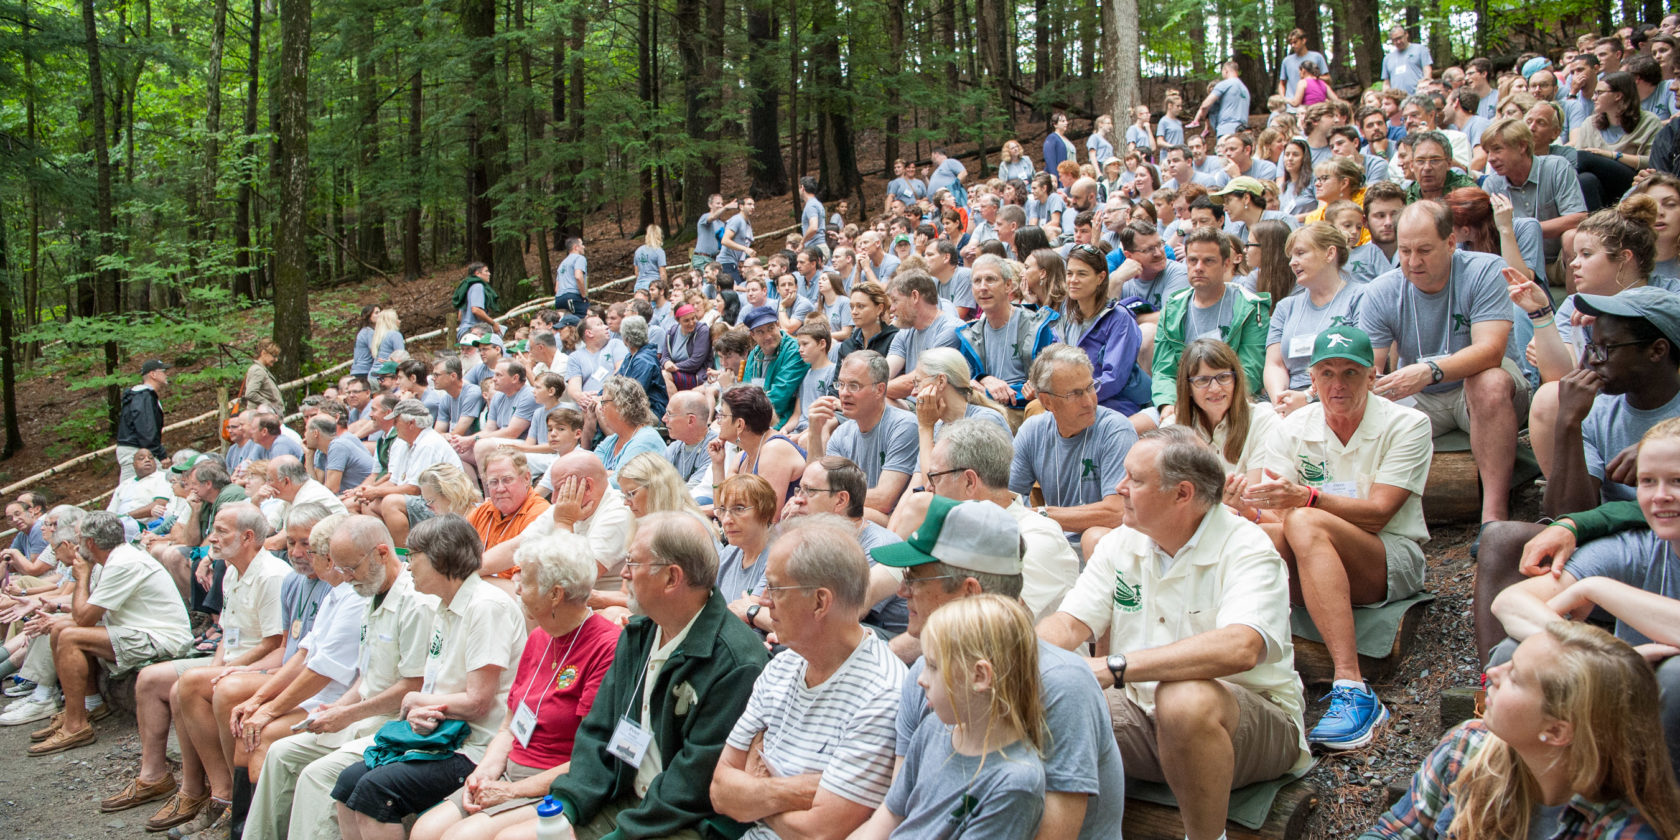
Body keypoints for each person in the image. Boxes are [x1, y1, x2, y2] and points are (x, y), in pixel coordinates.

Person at [1039, 428, 1309, 840]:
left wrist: (1115, 667)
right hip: (1141, 715)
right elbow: (1070, 623)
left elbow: (1241, 647)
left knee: (1182, 698)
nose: (1120, 487)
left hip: (1248, 723)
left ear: (1182, 493)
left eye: (1135, 479)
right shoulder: (1122, 543)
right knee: (1041, 703)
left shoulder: (1247, 547)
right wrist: (1016, 655)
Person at [1233, 325, 1433, 751]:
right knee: (1256, 537)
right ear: (1313, 378)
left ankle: (1351, 685)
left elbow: (1379, 514)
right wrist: (1247, 509)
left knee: (1304, 522)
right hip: (1319, 549)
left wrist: (1307, 498)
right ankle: (1250, 672)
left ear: (1372, 377)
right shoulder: (1292, 427)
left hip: (1390, 557)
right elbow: (1275, 509)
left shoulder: (1408, 424)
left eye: (1350, 373)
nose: (1336, 385)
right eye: (1326, 373)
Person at [538, 511, 768, 837]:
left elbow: (693, 783)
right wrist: (569, 803)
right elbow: (598, 730)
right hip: (627, 799)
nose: (623, 572)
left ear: (672, 578)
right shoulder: (639, 634)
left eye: (632, 563)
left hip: (685, 824)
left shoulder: (736, 662)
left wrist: (618, 835)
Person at [1365, 622, 1680, 840]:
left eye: (1515, 677)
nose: (1492, 672)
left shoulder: (1622, 830)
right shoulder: (1467, 747)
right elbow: (1390, 833)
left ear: (1557, 730)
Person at [408, 533, 621, 840]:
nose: (517, 588)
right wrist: (483, 773)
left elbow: (590, 758)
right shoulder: (539, 637)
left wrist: (510, 791)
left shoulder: (604, 647)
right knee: (424, 831)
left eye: (527, 581)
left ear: (555, 594)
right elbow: (509, 727)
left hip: (556, 783)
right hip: (510, 771)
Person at [327, 515, 526, 839]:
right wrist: (421, 711)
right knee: (348, 784)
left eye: (413, 557)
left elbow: (477, 702)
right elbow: (441, 689)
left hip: (473, 747)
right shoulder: (442, 607)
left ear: (440, 558)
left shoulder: (486, 607)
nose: (406, 566)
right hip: (439, 734)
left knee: (375, 793)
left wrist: (414, 701)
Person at [709, 517, 905, 839]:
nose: (763, 601)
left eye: (774, 588)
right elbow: (720, 790)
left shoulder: (881, 693)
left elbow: (818, 834)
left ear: (820, 602)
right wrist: (801, 791)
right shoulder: (782, 666)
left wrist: (756, 790)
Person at [101, 503, 288, 832]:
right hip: (232, 657)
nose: (212, 538)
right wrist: (218, 665)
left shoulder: (271, 575)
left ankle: (222, 795)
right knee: (150, 679)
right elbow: (227, 634)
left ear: (247, 537)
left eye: (221, 531)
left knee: (185, 686)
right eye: (213, 530)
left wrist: (226, 669)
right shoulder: (231, 569)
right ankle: (169, 781)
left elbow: (274, 643)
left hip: (258, 662)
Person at [1360, 201, 1526, 526]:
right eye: (1404, 251)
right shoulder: (1381, 291)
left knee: (1489, 381)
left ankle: (1493, 516)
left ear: (1451, 243)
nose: (1412, 262)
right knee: (1368, 402)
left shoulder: (1484, 270)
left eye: (1424, 250)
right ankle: (1376, 513)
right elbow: (1371, 367)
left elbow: (1491, 349)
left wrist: (1430, 371)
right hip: (1421, 397)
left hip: (1474, 388)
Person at [216, 508, 364, 837]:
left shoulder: (352, 598)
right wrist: (257, 701)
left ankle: (268, 831)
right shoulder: (335, 595)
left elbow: (320, 671)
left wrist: (268, 708)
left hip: (335, 699)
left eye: (311, 550)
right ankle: (242, 828)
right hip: (317, 693)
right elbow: (301, 656)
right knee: (246, 733)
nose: (303, 556)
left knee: (261, 736)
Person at [849, 594, 1047, 839]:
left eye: (933, 666)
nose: (920, 679)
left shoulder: (1014, 782)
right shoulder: (932, 729)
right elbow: (890, 813)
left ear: (980, 676)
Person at [22, 512, 191, 755]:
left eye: (79, 539)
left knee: (71, 635)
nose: (77, 546)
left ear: (90, 543)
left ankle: (75, 726)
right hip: (137, 629)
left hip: (160, 638)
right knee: (60, 628)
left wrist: (82, 576)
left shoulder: (122, 563)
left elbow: (84, 617)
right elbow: (90, 613)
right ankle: (89, 706)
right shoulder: (113, 559)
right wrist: (56, 618)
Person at [1009, 345, 1138, 550]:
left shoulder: (1116, 430)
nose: (1089, 401)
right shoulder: (1032, 431)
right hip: (1051, 545)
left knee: (1094, 537)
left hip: (1101, 550)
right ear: (1047, 401)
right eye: (1076, 394)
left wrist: (1041, 515)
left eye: (1090, 387)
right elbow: (1007, 497)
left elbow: (1117, 511)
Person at [1152, 228, 1271, 418]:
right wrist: (1168, 405)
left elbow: (1251, 370)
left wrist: (1206, 402)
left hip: (1232, 401)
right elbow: (1163, 370)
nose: (1198, 267)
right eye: (1192, 260)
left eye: (1208, 261)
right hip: (1182, 401)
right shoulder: (1173, 308)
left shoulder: (1250, 307)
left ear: (1226, 265)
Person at [1265, 223, 1366, 414]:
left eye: (1300, 253)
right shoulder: (1286, 307)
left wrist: (1308, 397)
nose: (1292, 262)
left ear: (1329, 254)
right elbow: (1275, 364)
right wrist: (1281, 401)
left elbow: (1359, 360)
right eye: (1291, 256)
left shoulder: (1361, 297)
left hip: (1341, 401)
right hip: (1290, 404)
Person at [808, 352, 920, 521]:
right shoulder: (841, 433)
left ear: (879, 389)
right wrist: (814, 433)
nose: (844, 393)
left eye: (854, 386)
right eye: (841, 384)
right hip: (851, 511)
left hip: (890, 522)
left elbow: (884, 500)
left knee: (824, 511)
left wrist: (825, 499)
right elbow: (816, 485)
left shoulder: (903, 426)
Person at [957, 255, 1058, 413]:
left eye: (990, 279)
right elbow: (963, 382)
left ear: (1008, 285)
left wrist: (987, 393)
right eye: (977, 281)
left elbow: (1047, 381)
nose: (983, 287)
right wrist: (982, 378)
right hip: (984, 409)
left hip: (1023, 409)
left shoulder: (1036, 326)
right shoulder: (970, 334)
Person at [1480, 118, 1588, 264]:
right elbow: (1486, 232)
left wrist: (1526, 230)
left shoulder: (1556, 167)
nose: (1490, 159)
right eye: (1488, 152)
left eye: (1497, 149)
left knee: (1572, 236)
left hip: (1558, 261)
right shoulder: (1492, 183)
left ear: (1522, 146)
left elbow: (1578, 217)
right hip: (1519, 262)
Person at [1171, 338, 1280, 475]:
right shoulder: (1172, 428)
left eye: (1223, 377)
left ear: (1236, 379)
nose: (1215, 388)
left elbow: (1257, 493)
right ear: (1188, 387)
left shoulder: (1262, 421)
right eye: (1203, 380)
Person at [707, 385, 807, 509]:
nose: (718, 421)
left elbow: (769, 516)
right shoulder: (741, 457)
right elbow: (722, 508)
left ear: (739, 424)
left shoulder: (775, 450)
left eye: (722, 415)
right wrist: (717, 465)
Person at [884, 271, 963, 401]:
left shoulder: (950, 328)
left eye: (895, 301)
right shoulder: (904, 332)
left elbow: (921, 380)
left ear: (915, 296)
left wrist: (872, 391)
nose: (891, 309)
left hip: (937, 407)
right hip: (912, 404)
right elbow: (884, 374)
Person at [740, 305, 810, 426]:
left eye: (770, 328)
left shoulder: (794, 350)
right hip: (756, 415)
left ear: (778, 325)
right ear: (752, 335)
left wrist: (749, 415)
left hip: (782, 419)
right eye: (760, 332)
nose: (768, 336)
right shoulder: (754, 354)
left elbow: (779, 398)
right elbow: (746, 392)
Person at [594, 375, 666, 481]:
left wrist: (606, 475)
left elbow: (620, 482)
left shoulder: (647, 439)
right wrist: (611, 474)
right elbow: (588, 470)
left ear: (622, 405)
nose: (600, 407)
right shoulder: (612, 439)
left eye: (604, 402)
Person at [117, 359, 170, 483]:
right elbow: (146, 429)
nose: (166, 374)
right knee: (128, 490)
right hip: (135, 451)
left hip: (137, 448)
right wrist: (161, 454)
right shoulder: (144, 396)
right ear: (153, 374)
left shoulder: (143, 396)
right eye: (163, 371)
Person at [661, 391, 717, 502]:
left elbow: (697, 491)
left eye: (669, 414)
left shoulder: (715, 447)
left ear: (690, 420)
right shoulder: (673, 449)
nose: (664, 419)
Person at [1348, 182, 1406, 284]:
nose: (1388, 222)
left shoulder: (1417, 258)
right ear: (1365, 222)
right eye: (1380, 216)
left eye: (1395, 214)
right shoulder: (1352, 260)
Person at [1189, 60, 1252, 139]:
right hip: (1243, 130)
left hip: (1226, 129)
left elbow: (1205, 105)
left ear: (1226, 71)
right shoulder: (1245, 89)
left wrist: (1204, 115)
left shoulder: (1224, 84)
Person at [1278, 28, 1330, 104]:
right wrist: (1283, 99)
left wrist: (1314, 77)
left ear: (1303, 40)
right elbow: (1282, 83)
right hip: (1292, 105)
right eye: (1291, 43)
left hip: (1313, 104)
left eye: (1295, 42)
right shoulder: (1286, 61)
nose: (1293, 45)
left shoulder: (1317, 57)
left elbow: (1328, 79)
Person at [1382, 26, 1433, 94]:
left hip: (1417, 95)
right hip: (1397, 98)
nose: (1398, 42)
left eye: (1400, 38)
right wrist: (1386, 94)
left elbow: (1427, 70)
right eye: (1395, 40)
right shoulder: (1387, 59)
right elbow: (1386, 82)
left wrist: (1426, 87)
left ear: (1406, 34)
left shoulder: (1420, 49)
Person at [692, 194, 737, 269]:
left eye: (722, 204)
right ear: (710, 205)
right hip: (702, 258)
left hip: (715, 260)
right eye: (718, 203)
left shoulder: (722, 224)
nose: (720, 206)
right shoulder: (705, 217)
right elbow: (712, 217)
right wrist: (726, 207)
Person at [242, 339, 284, 416]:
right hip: (261, 417)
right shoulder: (258, 370)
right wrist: (269, 405)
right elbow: (250, 394)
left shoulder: (261, 370)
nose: (276, 359)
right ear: (264, 353)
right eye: (274, 356)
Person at [553, 239, 588, 317]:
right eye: (582, 244)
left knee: (566, 323)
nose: (584, 247)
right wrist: (583, 295)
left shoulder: (562, 264)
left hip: (559, 299)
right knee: (585, 320)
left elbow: (556, 289)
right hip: (573, 296)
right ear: (576, 247)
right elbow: (578, 276)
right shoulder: (579, 258)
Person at [633, 224, 668, 292]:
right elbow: (663, 274)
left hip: (639, 286)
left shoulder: (638, 251)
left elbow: (637, 272)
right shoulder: (659, 251)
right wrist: (664, 288)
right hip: (654, 287)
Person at [352, 306, 379, 377]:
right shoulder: (368, 332)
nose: (380, 315)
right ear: (368, 316)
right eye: (376, 313)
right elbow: (375, 352)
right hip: (364, 371)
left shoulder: (365, 331)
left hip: (359, 370)